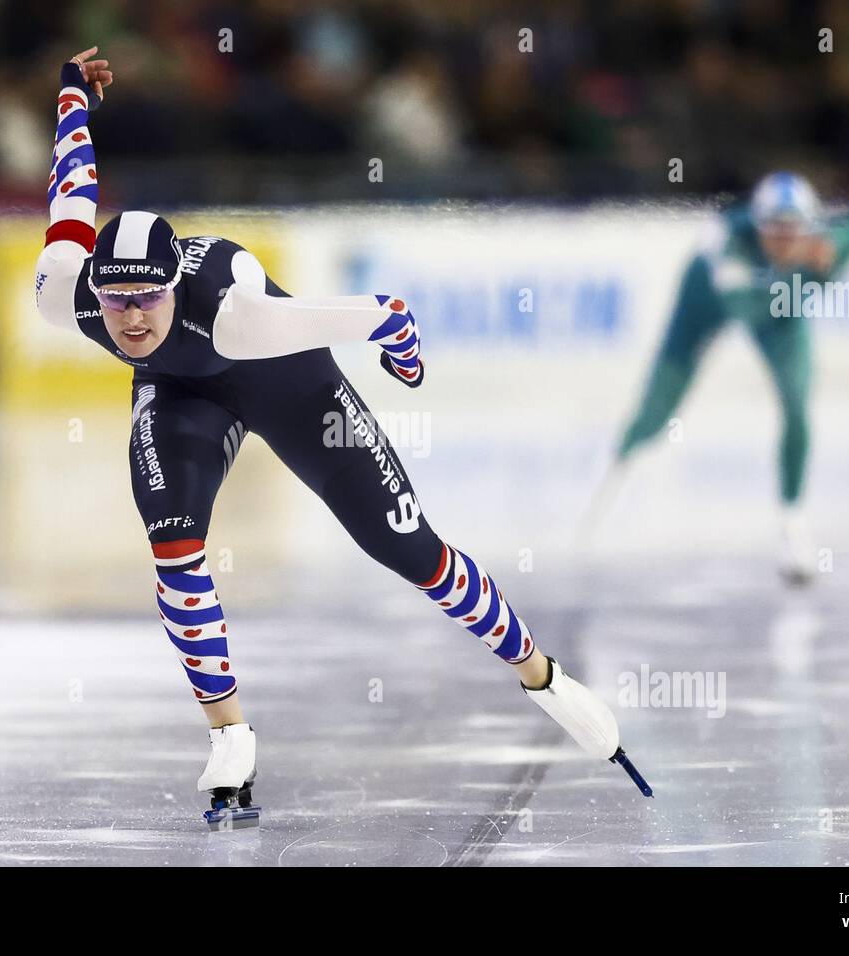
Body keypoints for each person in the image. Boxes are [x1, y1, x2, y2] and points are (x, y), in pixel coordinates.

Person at [34, 48, 650, 827]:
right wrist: (71, 99)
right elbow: (70, 193)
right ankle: (230, 736)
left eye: (147, 298)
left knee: (411, 550)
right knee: (173, 542)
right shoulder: (67, 294)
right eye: (116, 299)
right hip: (181, 394)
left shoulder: (236, 311)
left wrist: (404, 350)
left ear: (172, 286)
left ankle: (543, 676)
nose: (130, 317)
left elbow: (384, 311)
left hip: (282, 375)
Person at [596, 172, 849, 584]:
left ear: (810, 228)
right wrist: (801, 271)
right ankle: (613, 471)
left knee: (797, 406)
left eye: (791, 232)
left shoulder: (827, 237)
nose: (781, 241)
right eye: (772, 233)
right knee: (657, 412)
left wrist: (829, 255)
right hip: (705, 298)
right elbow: (754, 312)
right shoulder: (726, 246)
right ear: (756, 228)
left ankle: (793, 525)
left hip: (780, 300)